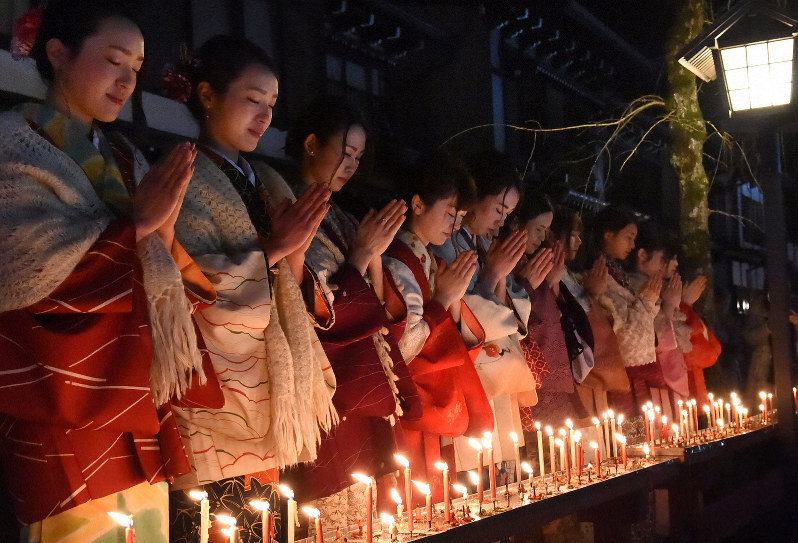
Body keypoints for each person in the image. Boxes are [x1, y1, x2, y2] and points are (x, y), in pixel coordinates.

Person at [0, 1, 203, 539]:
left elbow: (165, 262)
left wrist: (157, 231)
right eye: (114, 61)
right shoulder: (10, 142)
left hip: (135, 376)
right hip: (59, 383)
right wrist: (134, 227)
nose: (127, 81)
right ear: (59, 53)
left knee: (145, 524)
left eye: (136, 70)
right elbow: (21, 264)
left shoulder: (123, 152)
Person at [168, 36, 338, 541]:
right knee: (218, 522)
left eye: (272, 104)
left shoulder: (268, 178)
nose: (264, 115)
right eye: (252, 98)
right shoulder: (183, 174)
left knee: (261, 523)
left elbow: (294, 280)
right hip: (221, 390)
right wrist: (273, 250)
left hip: (273, 385)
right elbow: (193, 282)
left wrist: (295, 259)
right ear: (206, 95)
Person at [280, 96, 421, 530]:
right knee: (329, 503)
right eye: (346, 153)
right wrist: (361, 256)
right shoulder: (284, 204)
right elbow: (311, 302)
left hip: (357, 374)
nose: (352, 165)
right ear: (310, 144)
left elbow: (373, 304)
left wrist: (371, 257)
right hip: (324, 379)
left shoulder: (337, 213)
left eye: (359, 157)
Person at [383, 151, 493, 505]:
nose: (455, 225)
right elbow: (403, 347)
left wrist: (450, 302)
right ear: (417, 203)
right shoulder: (396, 262)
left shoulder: (427, 258)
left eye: (459, 215)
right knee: (414, 497)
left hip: (433, 399)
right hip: (412, 404)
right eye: (449, 212)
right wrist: (443, 301)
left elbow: (452, 333)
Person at [432, 150, 538, 477]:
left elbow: (509, 315)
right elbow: (464, 313)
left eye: (508, 213)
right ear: (475, 195)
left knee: (500, 473)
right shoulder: (445, 244)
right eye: (499, 209)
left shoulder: (474, 243)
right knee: (476, 477)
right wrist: (492, 276)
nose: (502, 221)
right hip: (470, 374)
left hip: (493, 375)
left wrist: (500, 275)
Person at [511, 195, 587, 432]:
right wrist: (528, 285)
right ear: (515, 224)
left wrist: (552, 285)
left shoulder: (530, 261)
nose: (542, 237)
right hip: (532, 373)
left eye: (546, 230)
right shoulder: (508, 262)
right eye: (538, 229)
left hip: (554, 370)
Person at [551, 209, 630, 420]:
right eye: (572, 235)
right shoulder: (554, 271)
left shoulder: (571, 274)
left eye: (580, 236)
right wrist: (592, 296)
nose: (578, 241)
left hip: (597, 371)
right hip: (581, 371)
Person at [585, 206, 661, 414]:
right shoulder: (596, 274)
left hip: (632, 375)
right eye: (629, 237)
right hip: (612, 373)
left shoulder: (618, 274)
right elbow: (621, 335)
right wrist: (646, 302)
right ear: (608, 235)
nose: (633, 244)